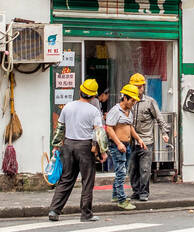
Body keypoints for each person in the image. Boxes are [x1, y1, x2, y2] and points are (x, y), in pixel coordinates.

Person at [48, 77, 108, 223]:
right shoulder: (93, 111)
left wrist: (56, 145)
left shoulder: (68, 106)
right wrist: (103, 151)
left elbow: (60, 129)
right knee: (87, 181)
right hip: (84, 147)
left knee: (66, 179)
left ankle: (54, 210)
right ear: (93, 95)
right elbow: (99, 133)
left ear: (80, 91)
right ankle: (86, 214)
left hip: (68, 145)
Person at [127, 72, 169, 202]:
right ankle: (136, 191)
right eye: (135, 86)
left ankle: (144, 192)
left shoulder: (149, 102)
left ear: (143, 87)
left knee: (144, 169)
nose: (138, 89)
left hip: (146, 141)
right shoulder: (127, 101)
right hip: (131, 141)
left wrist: (164, 133)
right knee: (132, 169)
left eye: (140, 87)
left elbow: (159, 118)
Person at [105, 84, 146, 211]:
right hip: (117, 146)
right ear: (125, 98)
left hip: (127, 145)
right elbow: (109, 128)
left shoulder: (129, 112)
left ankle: (116, 195)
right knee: (121, 173)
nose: (133, 103)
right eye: (132, 100)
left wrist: (138, 139)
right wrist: (118, 143)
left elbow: (130, 127)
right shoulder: (115, 111)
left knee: (121, 172)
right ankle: (122, 200)